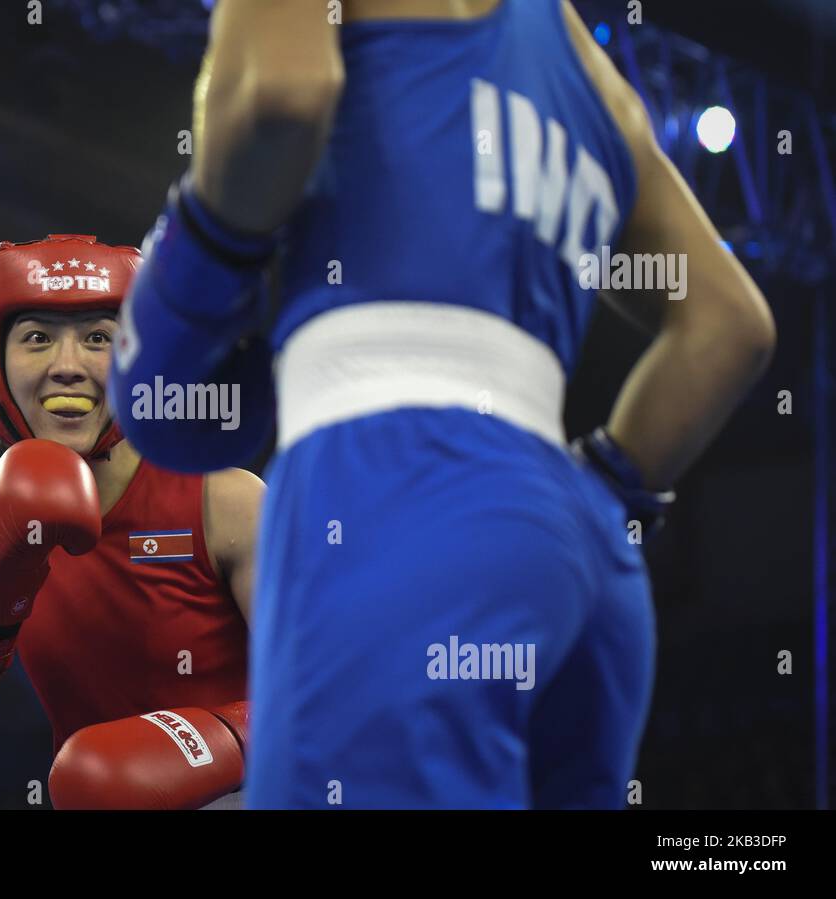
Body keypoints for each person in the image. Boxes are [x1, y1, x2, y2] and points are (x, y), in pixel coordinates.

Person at [109, 1, 776, 808]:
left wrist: (193, 282)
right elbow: (732, 326)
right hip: (580, 556)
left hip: (390, 491)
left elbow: (281, 96)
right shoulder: (595, 76)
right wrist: (594, 496)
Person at [0, 234, 264, 809]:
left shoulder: (224, 499)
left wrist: (214, 746)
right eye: (37, 338)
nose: (68, 367)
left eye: (99, 338)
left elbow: (333, 698)